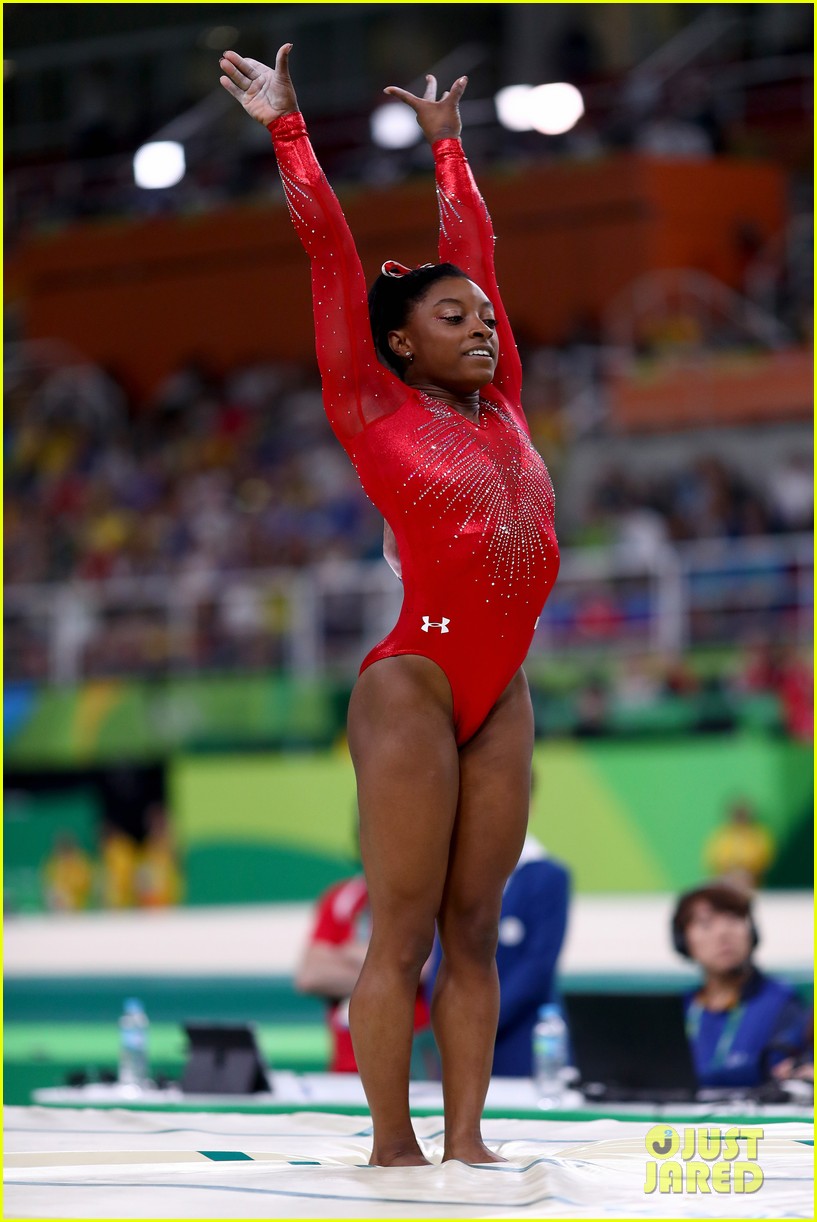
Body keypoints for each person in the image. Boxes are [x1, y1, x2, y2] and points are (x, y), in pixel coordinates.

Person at [220, 46, 559, 1166]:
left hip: (498, 689)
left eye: (484, 318)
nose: (480, 327)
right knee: (404, 928)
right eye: (453, 319)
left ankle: (467, 1143)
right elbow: (330, 255)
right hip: (413, 678)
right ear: (402, 342)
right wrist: (288, 130)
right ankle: (391, 1146)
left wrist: (451, 148)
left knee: (473, 928)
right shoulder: (368, 404)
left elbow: (481, 255)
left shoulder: (501, 399)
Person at [428, 830, 570, 1077]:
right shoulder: (452, 872)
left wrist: (477, 1023)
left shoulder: (547, 877)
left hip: (522, 1046)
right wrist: (444, 1021)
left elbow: (537, 968)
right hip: (458, 1044)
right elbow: (442, 959)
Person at [671, 883, 808, 1089]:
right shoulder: (681, 1007)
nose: (722, 933)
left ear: (751, 932)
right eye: (706, 924)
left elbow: (780, 1070)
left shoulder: (783, 1002)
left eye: (733, 919)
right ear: (683, 941)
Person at [295, 873, 434, 1076]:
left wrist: (346, 951)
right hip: (346, 1070)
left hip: (415, 1070)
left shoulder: (431, 895)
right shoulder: (342, 898)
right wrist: (392, 964)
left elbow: (426, 968)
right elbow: (311, 975)